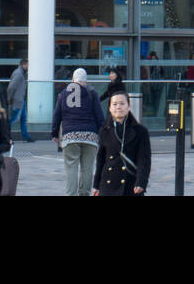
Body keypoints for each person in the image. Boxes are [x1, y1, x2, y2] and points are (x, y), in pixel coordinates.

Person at [52, 68, 105, 196]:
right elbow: (100, 117)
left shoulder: (63, 94)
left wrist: (54, 134)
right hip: (90, 136)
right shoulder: (92, 94)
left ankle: (71, 194)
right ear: (85, 81)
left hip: (70, 136)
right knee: (88, 168)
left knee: (71, 167)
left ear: (72, 80)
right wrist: (103, 134)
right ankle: (85, 194)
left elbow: (57, 116)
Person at [92, 90, 151, 196]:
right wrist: (96, 185)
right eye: (114, 104)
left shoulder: (140, 131)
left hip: (131, 184)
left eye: (122, 104)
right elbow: (100, 160)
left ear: (128, 107)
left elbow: (144, 160)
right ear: (110, 108)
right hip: (108, 185)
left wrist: (141, 182)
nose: (118, 107)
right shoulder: (104, 130)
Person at [6, 59, 33, 141]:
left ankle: (26, 137)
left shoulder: (21, 73)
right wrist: (9, 98)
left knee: (23, 119)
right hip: (18, 100)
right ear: (23, 65)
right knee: (15, 118)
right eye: (28, 65)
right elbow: (11, 87)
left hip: (21, 100)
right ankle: (4, 132)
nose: (29, 66)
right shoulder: (18, 74)